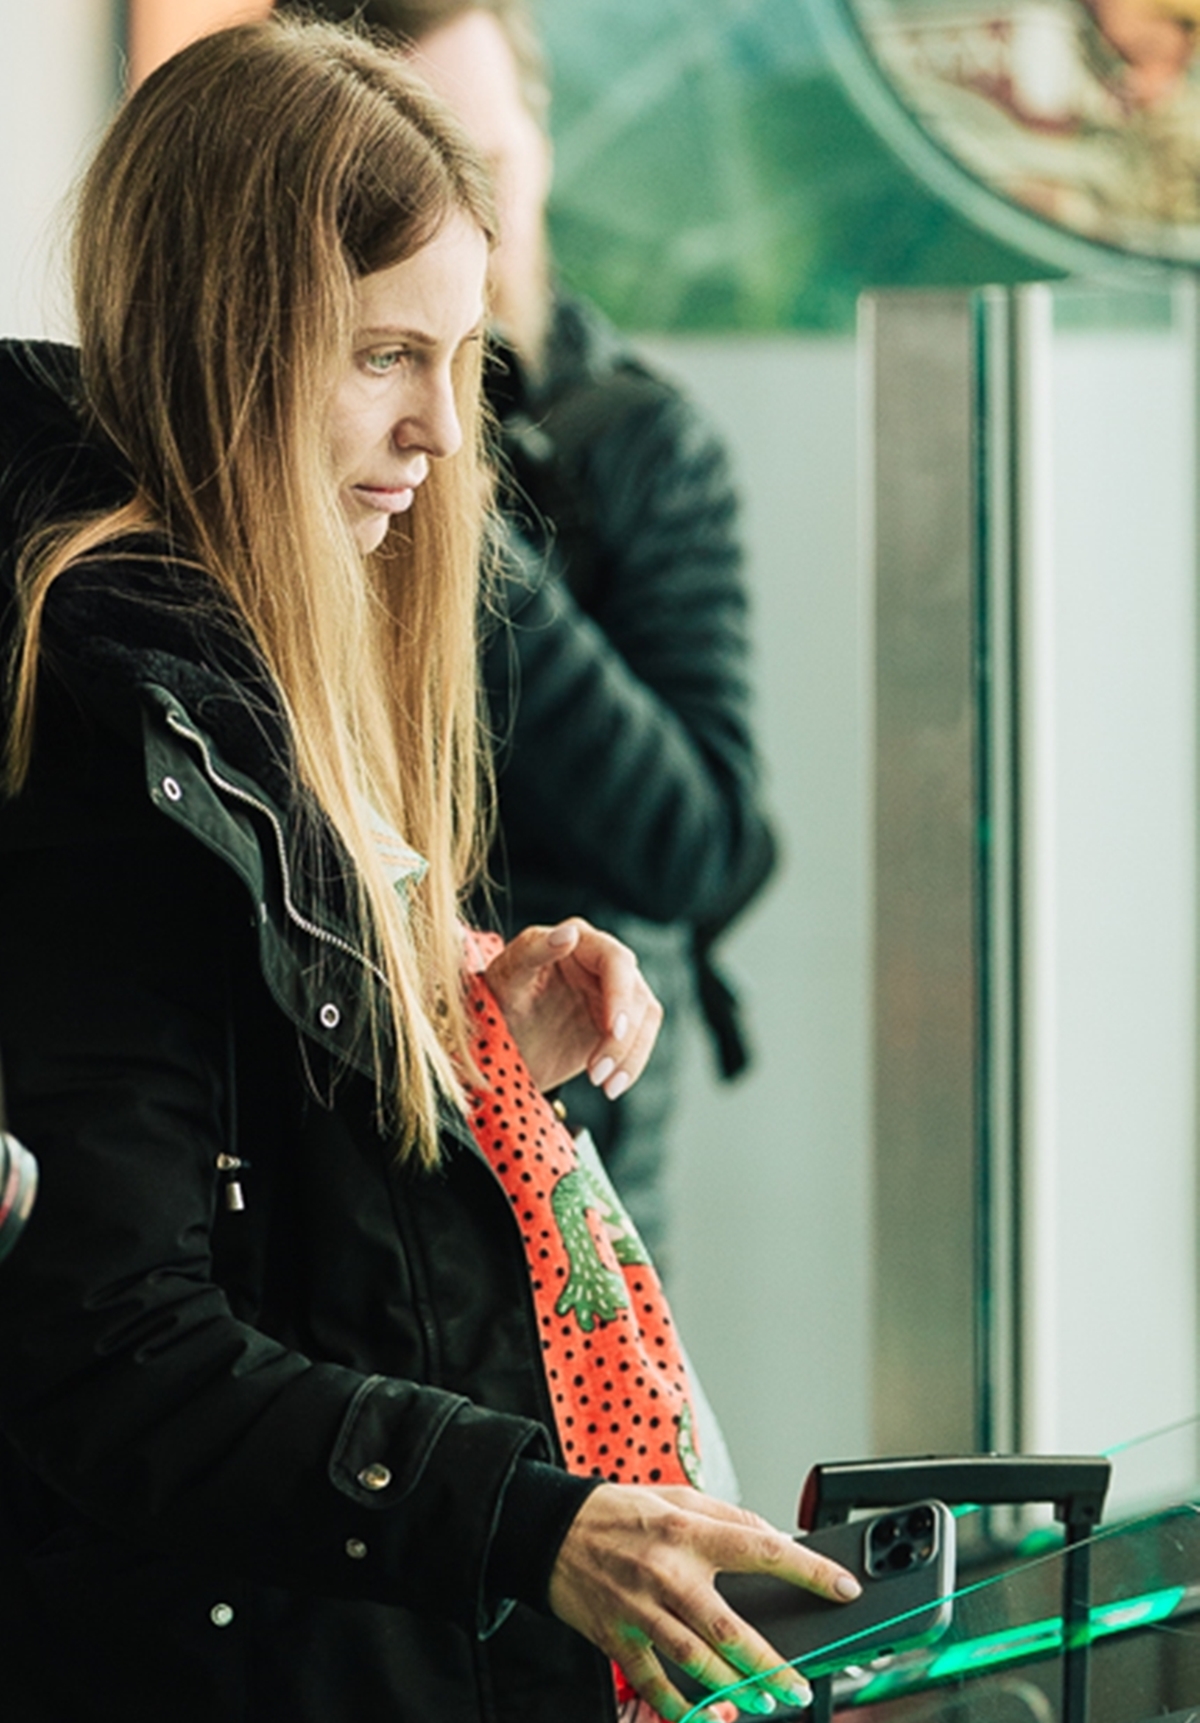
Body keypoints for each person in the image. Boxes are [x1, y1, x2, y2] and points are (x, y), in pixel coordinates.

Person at [0, 17, 857, 1723]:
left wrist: (455, 1027)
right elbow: (116, 1343)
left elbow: (260, 1165)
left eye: (462, 364)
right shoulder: (118, 737)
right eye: (385, 358)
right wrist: (531, 1518)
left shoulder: (267, 671)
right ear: (229, 330)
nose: (435, 438)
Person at [280, 0, 780, 1272]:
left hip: (571, 1147)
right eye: (395, 206)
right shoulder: (252, 481)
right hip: (312, 1123)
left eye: (485, 174)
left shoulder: (640, 449)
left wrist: (466, 542)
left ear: (541, 148)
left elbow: (708, 844)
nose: (464, 235)